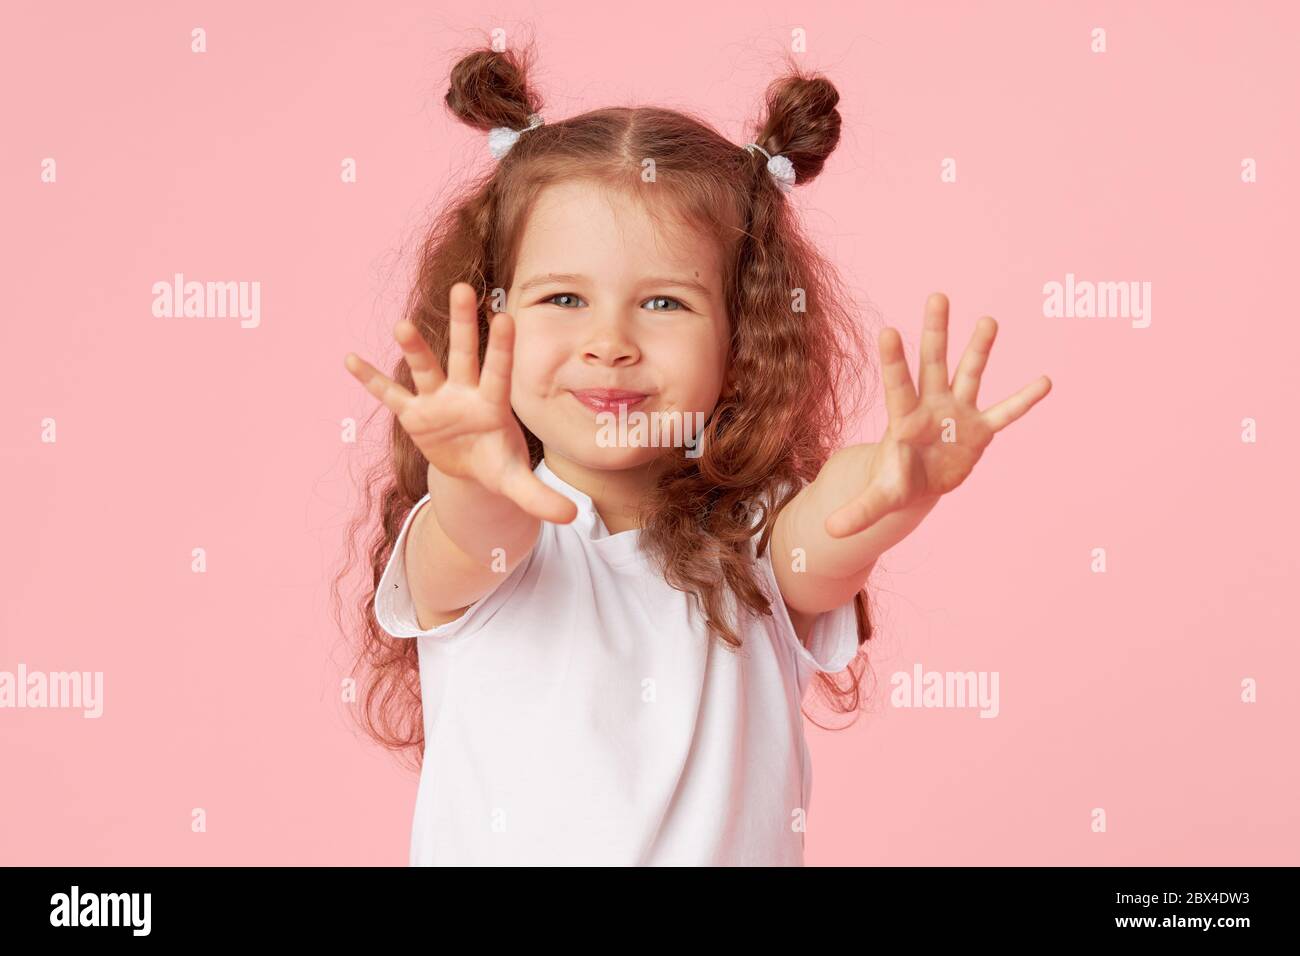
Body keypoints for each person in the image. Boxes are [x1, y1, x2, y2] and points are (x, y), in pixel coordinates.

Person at [341, 41, 1051, 865]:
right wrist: (468, 471)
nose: (609, 343)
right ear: (494, 310)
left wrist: (900, 485)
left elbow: (828, 526)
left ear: (740, 338)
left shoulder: (754, 541)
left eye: (665, 302)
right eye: (563, 297)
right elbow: (475, 534)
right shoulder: (479, 540)